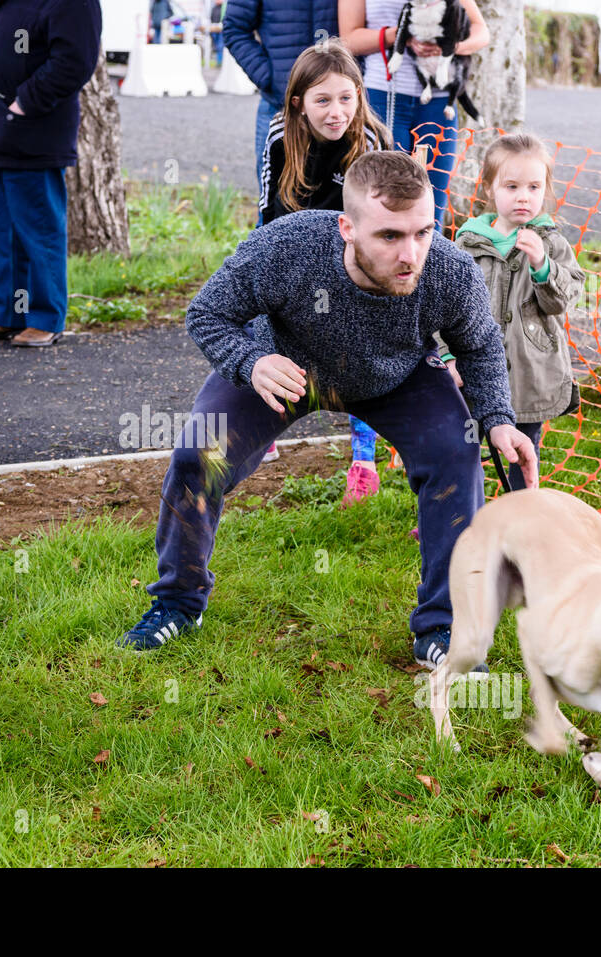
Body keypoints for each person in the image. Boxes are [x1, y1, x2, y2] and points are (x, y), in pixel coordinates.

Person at [119, 150, 537, 672]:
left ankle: (443, 627)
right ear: (347, 227)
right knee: (198, 454)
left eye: (423, 232)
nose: (412, 254)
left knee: (457, 457)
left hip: (396, 375)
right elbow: (207, 312)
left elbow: (478, 345)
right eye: (390, 236)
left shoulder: (448, 270)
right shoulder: (288, 246)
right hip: (286, 372)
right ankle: (178, 603)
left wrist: (498, 418)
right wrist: (250, 362)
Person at [256, 40, 392, 502]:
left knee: (361, 354)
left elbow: (383, 223)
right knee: (263, 323)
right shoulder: (279, 136)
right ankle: (259, 426)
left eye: (346, 98)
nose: (337, 112)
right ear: (298, 104)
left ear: (359, 95)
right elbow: (266, 214)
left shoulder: (371, 142)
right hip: (294, 257)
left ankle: (363, 460)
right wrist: (268, 269)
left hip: (354, 262)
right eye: (322, 100)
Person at [437, 133, 586, 490]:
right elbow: (443, 306)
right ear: (489, 188)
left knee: (523, 450)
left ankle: (522, 519)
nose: (524, 196)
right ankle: (458, 514)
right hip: (472, 373)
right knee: (463, 448)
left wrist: (542, 265)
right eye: (512, 185)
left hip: (530, 375)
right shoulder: (466, 243)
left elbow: (563, 301)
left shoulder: (551, 243)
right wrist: (447, 355)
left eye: (534, 187)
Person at [0, 0, 103, 349]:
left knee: (38, 230)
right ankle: (7, 314)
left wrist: (24, 103)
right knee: (0, 231)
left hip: (33, 131)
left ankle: (45, 318)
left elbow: (74, 61)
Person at [339, 0, 490, 229]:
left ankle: (428, 263)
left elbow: (481, 31)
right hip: (383, 96)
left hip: (437, 102)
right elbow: (348, 39)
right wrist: (402, 34)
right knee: (380, 199)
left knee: (432, 204)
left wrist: (449, 44)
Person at [222, 0, 340, 193]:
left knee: (339, 203)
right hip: (280, 105)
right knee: (275, 199)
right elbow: (234, 28)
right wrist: (268, 76)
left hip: (338, 108)